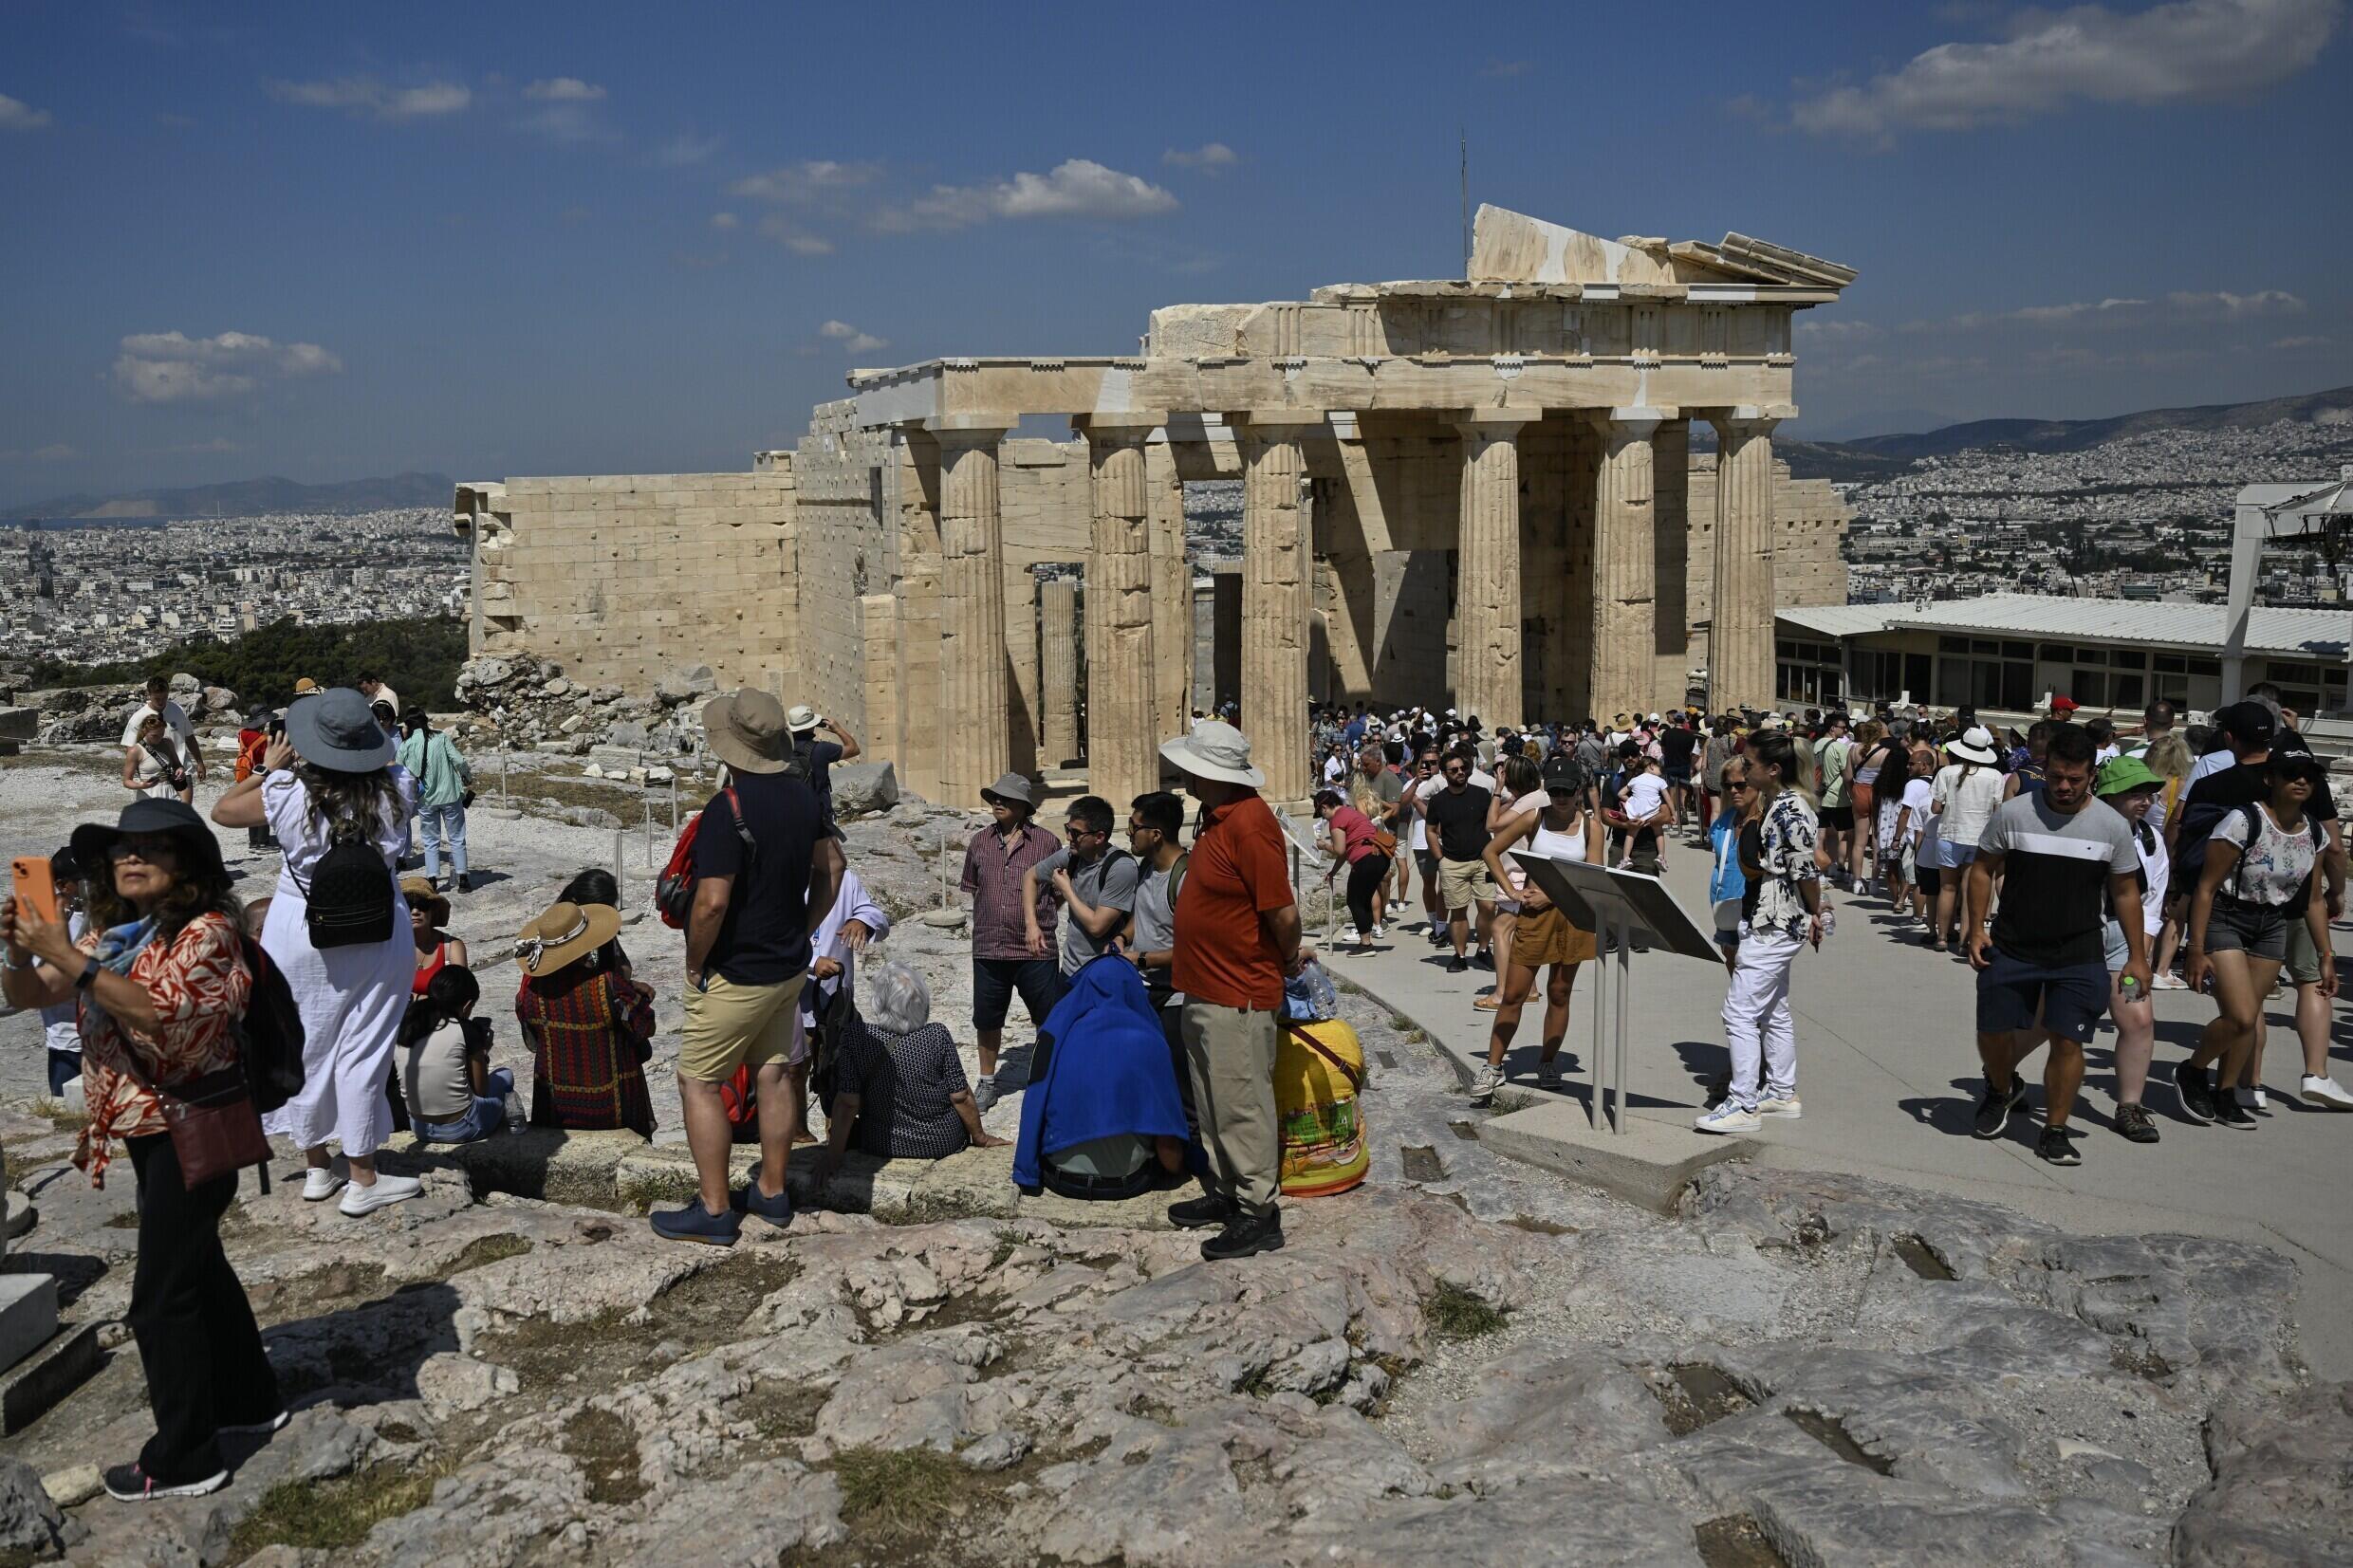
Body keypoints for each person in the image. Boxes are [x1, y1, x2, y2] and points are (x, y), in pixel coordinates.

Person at [1, 798, 281, 1502]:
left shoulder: (211, 933)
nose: (131, 856)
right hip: (152, 1133)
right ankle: (249, 1398)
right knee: (200, 1271)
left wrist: (65, 951)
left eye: (151, 847)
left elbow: (166, 1018)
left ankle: (186, 1455)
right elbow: (33, 990)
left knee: (159, 1302)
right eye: (122, 848)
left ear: (185, 864)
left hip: (193, 1125)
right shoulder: (123, 935)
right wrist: (18, 949)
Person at [209, 688, 420, 1215]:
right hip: (378, 924)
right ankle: (364, 1179)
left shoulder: (286, 790)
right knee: (363, 1049)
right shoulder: (397, 787)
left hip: (298, 926)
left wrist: (268, 766)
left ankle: (316, 1169)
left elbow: (223, 811)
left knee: (305, 1043)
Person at [653, 689, 842, 1245]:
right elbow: (832, 867)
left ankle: (714, 1211)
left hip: (738, 971)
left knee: (699, 1081)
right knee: (776, 1071)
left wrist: (694, 960)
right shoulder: (803, 795)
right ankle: (773, 1192)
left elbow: (711, 901)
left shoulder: (726, 808)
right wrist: (804, 928)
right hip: (788, 965)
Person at [1965, 725, 2148, 1166]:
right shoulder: (2014, 813)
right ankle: (2001, 1087)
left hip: (2080, 951)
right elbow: (1982, 869)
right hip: (2011, 945)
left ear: (2092, 778)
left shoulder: (2111, 827)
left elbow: (2125, 893)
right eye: (2056, 777)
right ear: (2044, 769)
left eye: (2075, 779)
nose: (2064, 787)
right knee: (1992, 1031)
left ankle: (2055, 1130)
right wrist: (1975, 928)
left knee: (2068, 1042)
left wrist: (2138, 958)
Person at [1160, 720, 1302, 1262]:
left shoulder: (1251, 823)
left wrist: (1288, 960)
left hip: (1238, 989)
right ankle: (1225, 1191)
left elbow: (1282, 912)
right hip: (1202, 986)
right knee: (1213, 1099)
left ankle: (1258, 1212)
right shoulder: (1215, 818)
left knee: (1242, 1104)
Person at [2175, 753, 2337, 1128]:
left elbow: (2313, 899)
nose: (2301, 781)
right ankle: (2193, 1070)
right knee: (2242, 1016)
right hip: (2228, 916)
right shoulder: (2243, 821)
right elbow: (2205, 888)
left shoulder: (2314, 832)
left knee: (2252, 1018)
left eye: (2309, 776)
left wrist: (2325, 954)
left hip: (2272, 924)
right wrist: (2195, 950)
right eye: (2291, 774)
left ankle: (2226, 1092)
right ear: (2270, 779)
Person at [1696, 732, 1822, 1134]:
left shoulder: (1790, 809)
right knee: (1773, 1010)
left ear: (1773, 770)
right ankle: (1782, 1092)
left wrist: (1817, 912)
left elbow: (1806, 869)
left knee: (1739, 1011)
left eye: (1748, 765)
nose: (1743, 772)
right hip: (1766, 915)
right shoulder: (1778, 805)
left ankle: (1743, 1102)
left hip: (1776, 920)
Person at [1471, 759, 1600, 1096]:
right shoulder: (1534, 818)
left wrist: (1552, 897)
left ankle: (1547, 1061)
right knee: (1513, 994)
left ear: (1578, 791)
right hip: (1534, 916)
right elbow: (1491, 850)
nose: (1559, 798)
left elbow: (1595, 880)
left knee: (1559, 993)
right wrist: (1512, 892)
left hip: (1573, 917)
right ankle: (1493, 1066)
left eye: (1566, 791)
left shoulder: (1591, 827)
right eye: (1553, 790)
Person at [816, 963, 1005, 1171]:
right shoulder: (936, 1035)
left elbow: (848, 1102)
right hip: (941, 1142)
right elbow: (960, 1096)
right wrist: (981, 1137)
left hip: (881, 1142)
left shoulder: (858, 1037)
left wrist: (833, 1158)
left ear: (880, 1003)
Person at [960, 770, 1063, 1112]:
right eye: (994, 798)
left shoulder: (1048, 843)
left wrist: (1042, 916)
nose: (997, 803)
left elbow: (1060, 890)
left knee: (1046, 1017)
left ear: (1024, 807)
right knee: (987, 1019)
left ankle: (1048, 1080)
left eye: (1004, 798)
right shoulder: (979, 842)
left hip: (1036, 949)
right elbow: (974, 887)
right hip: (989, 946)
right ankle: (988, 1082)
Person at [514, 898, 657, 1134]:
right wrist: (639, 997)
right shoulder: (607, 986)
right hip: (611, 1107)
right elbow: (645, 1027)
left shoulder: (528, 994)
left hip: (554, 1108)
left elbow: (532, 1042)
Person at [2092, 758, 2168, 1144]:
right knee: (2046, 1022)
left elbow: (2153, 895)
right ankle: (2003, 1077)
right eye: (2134, 794)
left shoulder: (2150, 838)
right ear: (2109, 797)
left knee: (2138, 1020)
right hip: (2080, 934)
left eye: (2148, 794)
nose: (2145, 801)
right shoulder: (2084, 829)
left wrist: (2145, 943)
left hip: (2126, 938)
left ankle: (2129, 1106)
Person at [1021, 794, 1141, 980]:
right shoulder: (1072, 856)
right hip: (1070, 969)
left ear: (1099, 837)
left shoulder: (1121, 867)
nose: (1068, 837)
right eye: (1067, 829)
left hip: (1105, 972)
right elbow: (1030, 876)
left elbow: (1097, 926)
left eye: (1075, 833)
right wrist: (1031, 925)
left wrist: (1066, 890)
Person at [399, 966, 517, 1144]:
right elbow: (481, 1091)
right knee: (505, 1076)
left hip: (419, 1127)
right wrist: (482, 1053)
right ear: (467, 1005)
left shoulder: (409, 1024)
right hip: (462, 1128)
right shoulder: (466, 1030)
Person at [1929, 728, 2006, 952]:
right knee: (1970, 890)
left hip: (1950, 835)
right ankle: (1965, 941)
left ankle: (1942, 937)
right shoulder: (1995, 776)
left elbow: (1935, 808)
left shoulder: (1946, 773)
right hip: (1979, 838)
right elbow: (1997, 811)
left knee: (1947, 887)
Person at [1426, 749, 1496, 974]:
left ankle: (1484, 950)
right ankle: (1459, 955)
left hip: (1482, 860)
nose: (1460, 773)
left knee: (1488, 906)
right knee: (1458, 911)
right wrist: (1439, 858)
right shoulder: (1438, 800)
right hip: (1453, 863)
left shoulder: (1482, 794)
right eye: (1454, 770)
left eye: (1463, 768)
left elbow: (1495, 821)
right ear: (1445, 775)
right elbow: (1430, 830)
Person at [31, 846, 90, 1096]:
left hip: (106, 1044)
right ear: (65, 886)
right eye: (86, 881)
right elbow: (40, 984)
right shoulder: (50, 926)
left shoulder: (105, 918)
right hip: (69, 1049)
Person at [396, 708, 474, 894]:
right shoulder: (441, 738)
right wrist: (467, 776)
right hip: (450, 795)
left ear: (408, 725)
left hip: (425, 799)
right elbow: (459, 760)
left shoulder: (406, 746)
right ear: (425, 721)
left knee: (430, 840)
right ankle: (463, 879)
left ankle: (432, 880)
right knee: (457, 837)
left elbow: (398, 771)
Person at [1315, 787, 1388, 949]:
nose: (1323, 818)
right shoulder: (1350, 812)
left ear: (1324, 807)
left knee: (1354, 901)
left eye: (1321, 814)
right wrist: (1333, 871)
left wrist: (1324, 846)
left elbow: (1339, 849)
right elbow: (1345, 852)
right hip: (1381, 857)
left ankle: (1365, 944)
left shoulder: (1336, 819)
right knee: (1364, 899)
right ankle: (1367, 937)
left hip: (1365, 860)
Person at [120, 675, 203, 798]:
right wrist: (141, 769)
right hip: (155, 773)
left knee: (183, 811)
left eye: (164, 697)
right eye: (157, 698)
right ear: (149, 694)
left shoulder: (177, 710)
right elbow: (129, 746)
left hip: (181, 769)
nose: (161, 701)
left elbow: (189, 737)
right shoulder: (138, 717)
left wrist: (200, 762)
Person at [785, 703, 861, 828]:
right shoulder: (822, 749)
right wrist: (838, 729)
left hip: (789, 812)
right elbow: (854, 749)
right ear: (813, 725)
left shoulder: (781, 748)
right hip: (819, 813)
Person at [400, 876, 466, 995]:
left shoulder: (452, 947)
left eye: (423, 905)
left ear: (433, 910)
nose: (415, 911)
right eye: (408, 905)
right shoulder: (389, 948)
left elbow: (460, 996)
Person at [1813, 713, 1854, 887]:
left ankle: (1821, 870)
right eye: (1842, 727)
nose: (1845, 730)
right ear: (1832, 728)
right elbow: (1848, 775)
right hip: (1839, 797)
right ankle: (1842, 869)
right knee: (1847, 834)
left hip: (1818, 795)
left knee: (1821, 835)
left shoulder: (1814, 746)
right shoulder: (1840, 748)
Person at [123, 711, 195, 804]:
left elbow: (177, 765)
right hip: (148, 794)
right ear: (145, 731)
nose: (159, 739)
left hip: (169, 792)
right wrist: (141, 785)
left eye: (162, 734)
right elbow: (126, 781)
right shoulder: (135, 751)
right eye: (154, 736)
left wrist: (180, 770)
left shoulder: (168, 743)